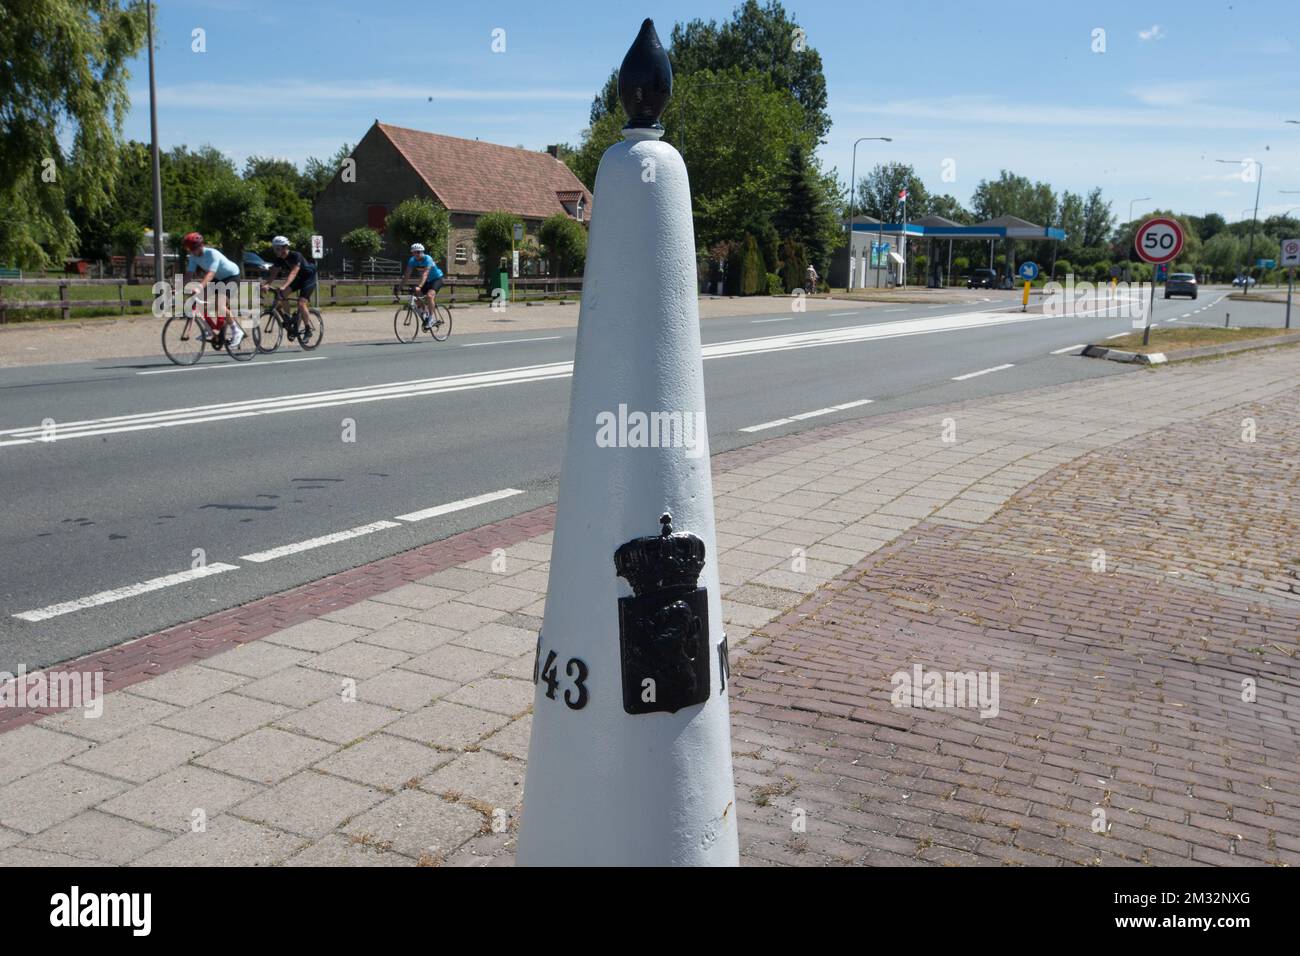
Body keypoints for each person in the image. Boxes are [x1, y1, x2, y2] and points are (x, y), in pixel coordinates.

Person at [182, 232, 244, 347]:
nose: (192, 251)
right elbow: (189, 273)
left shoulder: (212, 254)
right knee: (196, 300)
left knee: (220, 305)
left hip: (231, 276)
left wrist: (199, 287)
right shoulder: (193, 257)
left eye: (193, 248)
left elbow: (210, 274)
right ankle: (209, 328)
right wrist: (179, 287)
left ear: (201, 245)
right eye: (189, 249)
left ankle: (236, 331)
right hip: (218, 278)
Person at [267, 236, 316, 342]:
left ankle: (308, 329)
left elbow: (294, 271)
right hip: (298, 279)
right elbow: (274, 272)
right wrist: (266, 284)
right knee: (281, 295)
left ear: (285, 247)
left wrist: (284, 285)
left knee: (301, 304)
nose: (276, 251)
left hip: (308, 278)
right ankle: (289, 320)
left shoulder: (296, 255)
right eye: (274, 248)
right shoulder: (279, 259)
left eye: (278, 248)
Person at [400, 243, 444, 329]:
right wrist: (400, 286)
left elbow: (425, 274)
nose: (416, 254)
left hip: (436, 279)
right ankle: (425, 313)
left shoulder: (428, 259)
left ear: (422, 252)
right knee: (416, 296)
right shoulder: (412, 260)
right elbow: (407, 274)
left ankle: (431, 319)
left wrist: (419, 286)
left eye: (418, 252)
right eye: (414, 252)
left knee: (429, 295)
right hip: (427, 281)